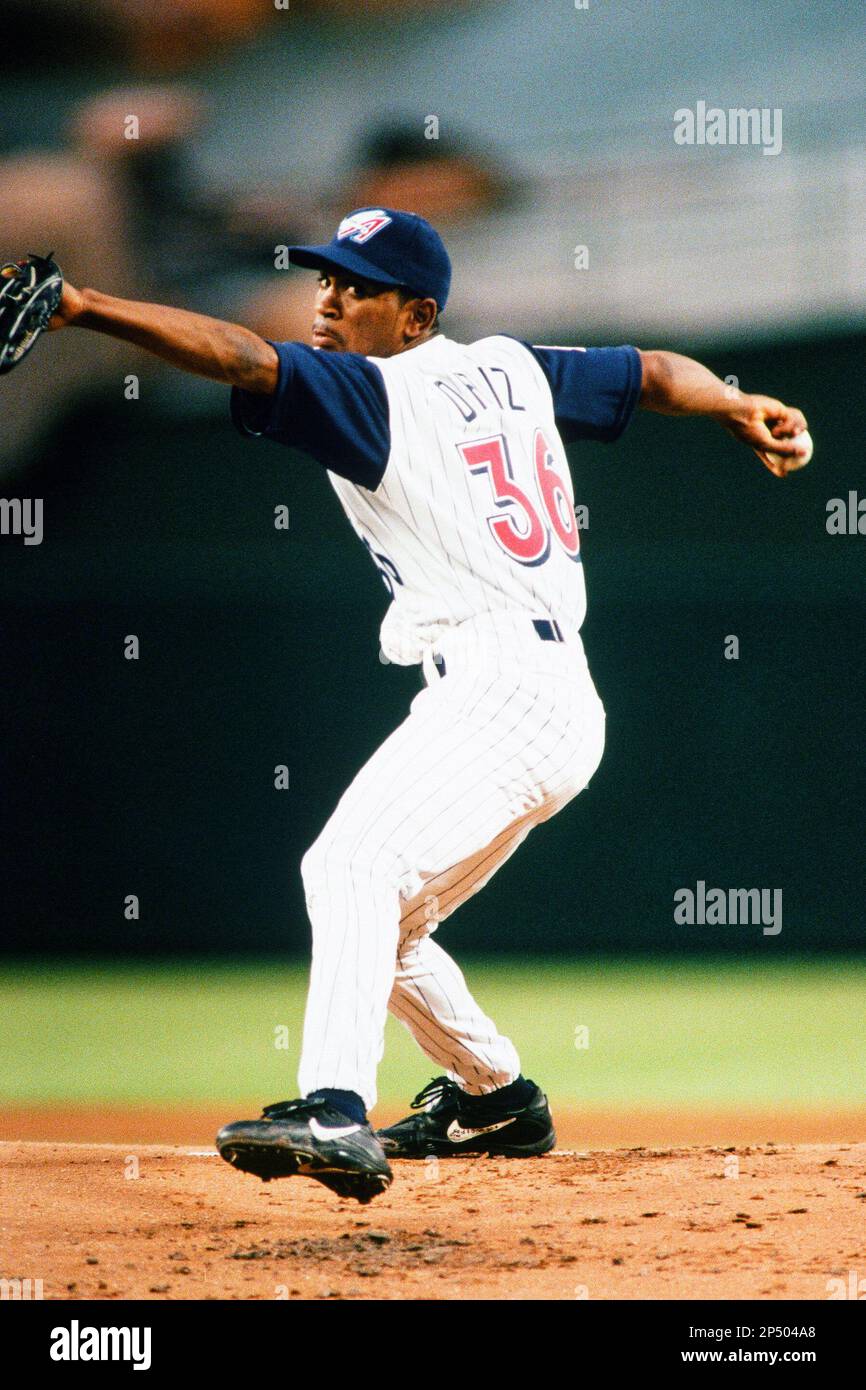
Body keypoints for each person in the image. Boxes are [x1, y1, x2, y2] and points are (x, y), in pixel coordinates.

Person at [45, 206, 809, 1204]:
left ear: (414, 315)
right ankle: (495, 1098)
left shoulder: (374, 390)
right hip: (552, 699)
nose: (328, 299)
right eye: (325, 279)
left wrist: (83, 303)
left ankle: (331, 1105)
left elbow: (235, 354)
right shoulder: (512, 367)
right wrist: (732, 402)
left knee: (347, 863)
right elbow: (655, 374)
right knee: (387, 921)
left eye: (355, 288)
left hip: (496, 685)